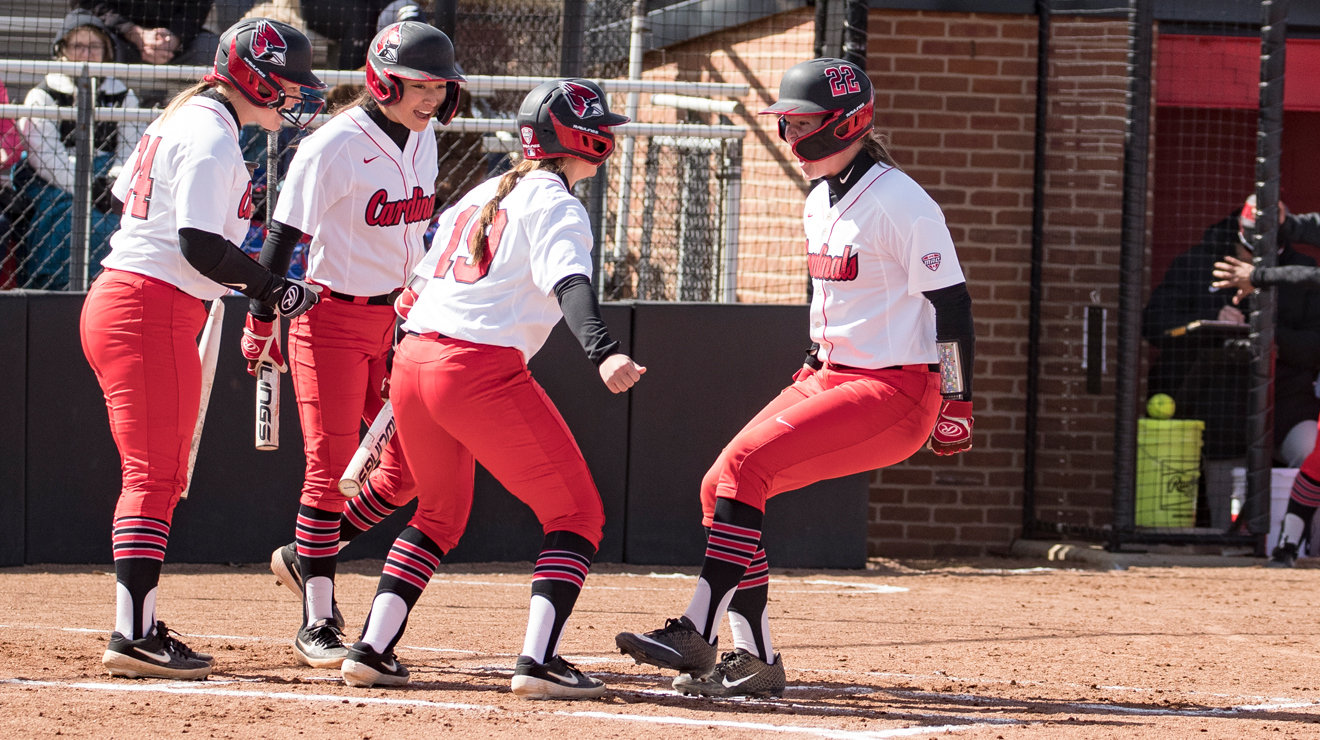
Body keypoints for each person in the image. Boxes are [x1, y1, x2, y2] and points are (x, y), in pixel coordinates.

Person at [613, 58, 975, 699]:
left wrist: (958, 397)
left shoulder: (900, 200)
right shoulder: (818, 198)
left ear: (850, 123)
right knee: (717, 482)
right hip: (833, 372)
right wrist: (814, 356)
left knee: (747, 465)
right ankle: (756, 660)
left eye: (804, 123)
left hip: (897, 390)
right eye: (786, 123)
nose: (793, 138)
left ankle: (695, 627)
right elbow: (841, 300)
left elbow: (952, 304)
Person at [339, 78, 643, 700]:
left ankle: (371, 649)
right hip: (475, 369)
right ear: (580, 139)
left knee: (438, 514)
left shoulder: (483, 192)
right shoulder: (556, 204)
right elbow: (571, 284)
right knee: (577, 515)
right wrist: (603, 351)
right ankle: (540, 661)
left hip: (416, 359)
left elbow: (411, 296)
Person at [81, 18, 325, 681]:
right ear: (252, 78)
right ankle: (134, 633)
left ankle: (139, 625)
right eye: (286, 83)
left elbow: (121, 193)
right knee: (154, 476)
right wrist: (274, 287)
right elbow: (196, 243)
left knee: (159, 474)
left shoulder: (188, 120)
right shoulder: (210, 134)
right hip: (148, 308)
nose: (294, 96)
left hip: (141, 303)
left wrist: (259, 288)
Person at [245, 21, 465, 670]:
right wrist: (261, 324)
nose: (430, 99)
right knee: (330, 466)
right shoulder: (332, 145)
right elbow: (281, 242)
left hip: (400, 323)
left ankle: (309, 549)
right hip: (327, 320)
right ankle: (318, 617)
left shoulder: (423, 140)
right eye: (418, 87)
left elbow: (417, 238)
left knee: (408, 472)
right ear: (383, 79)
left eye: (438, 88)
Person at [1144, 197, 1320, 526]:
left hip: (1286, 399)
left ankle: (1308, 547)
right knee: (1226, 513)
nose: (1252, 267)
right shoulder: (1198, 262)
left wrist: (1270, 335)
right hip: (1217, 401)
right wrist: (1211, 319)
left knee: (1312, 450)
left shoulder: (1301, 273)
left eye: (1265, 261)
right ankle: (1228, 551)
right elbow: (1153, 324)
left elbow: (1315, 345)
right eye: (1248, 255)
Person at [1213, 210, 1320, 566]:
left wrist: (1257, 276)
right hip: (1229, 398)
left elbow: (1309, 276)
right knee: (1318, 462)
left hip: (1293, 395)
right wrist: (1284, 222)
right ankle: (1287, 548)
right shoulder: (1207, 260)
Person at [15, 10, 142, 290]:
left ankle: (110, 283)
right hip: (57, 179)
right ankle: (54, 284)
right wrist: (85, 186)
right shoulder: (42, 94)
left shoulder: (124, 94)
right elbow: (45, 156)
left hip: (108, 178)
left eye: (94, 46)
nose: (86, 53)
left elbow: (131, 149)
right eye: (78, 46)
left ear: (106, 51)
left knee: (118, 212)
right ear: (62, 50)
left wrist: (113, 182)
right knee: (65, 211)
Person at [69, 0, 220, 65]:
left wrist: (175, 37)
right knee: (91, 44)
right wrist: (133, 32)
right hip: (118, 39)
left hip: (174, 42)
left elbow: (198, 6)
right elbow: (89, 4)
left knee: (215, 51)